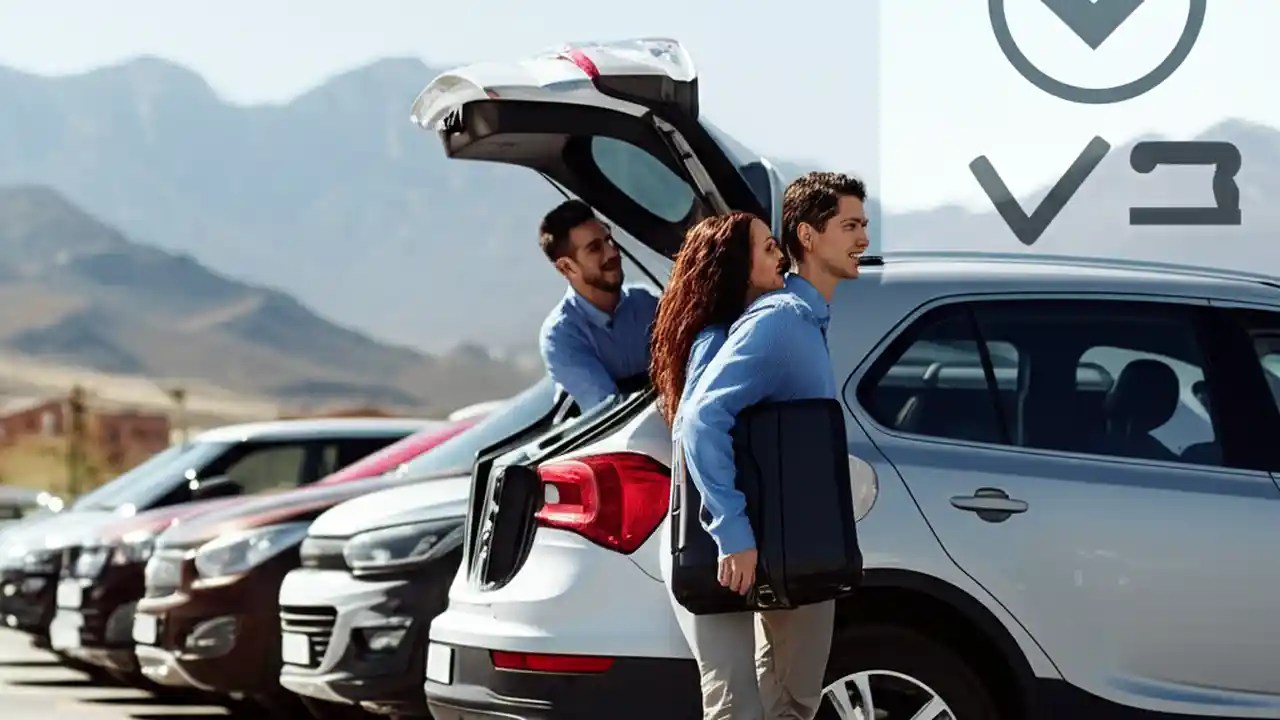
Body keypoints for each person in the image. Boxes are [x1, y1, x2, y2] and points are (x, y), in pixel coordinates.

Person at [669, 172, 871, 720]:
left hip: (788, 542)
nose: (864, 240)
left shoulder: (801, 320)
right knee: (775, 706)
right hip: (768, 545)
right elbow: (701, 418)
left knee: (782, 703)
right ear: (808, 236)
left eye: (865, 225)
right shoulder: (781, 322)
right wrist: (732, 529)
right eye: (850, 226)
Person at [537, 199, 660, 411]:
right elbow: (609, 410)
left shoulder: (647, 303)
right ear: (567, 267)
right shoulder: (561, 336)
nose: (612, 253)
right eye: (595, 249)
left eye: (609, 240)